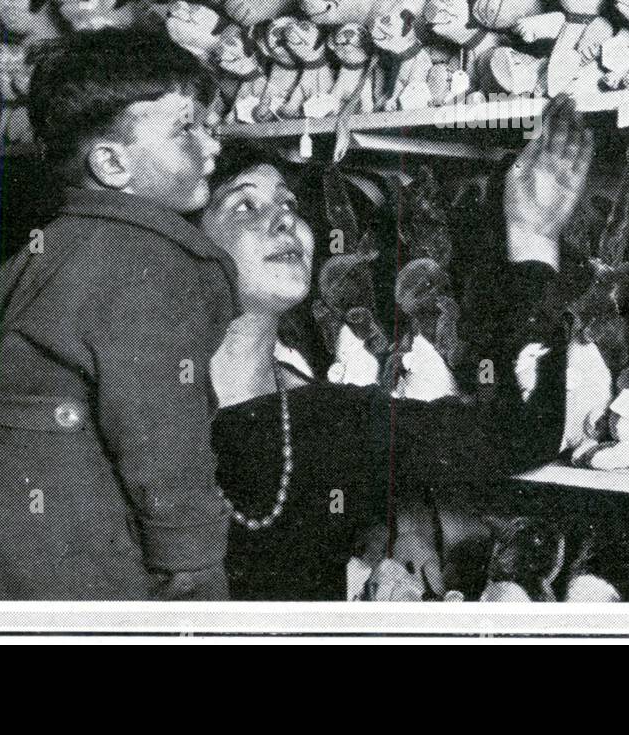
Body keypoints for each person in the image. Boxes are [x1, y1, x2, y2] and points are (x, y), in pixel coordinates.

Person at [0, 28, 237, 600]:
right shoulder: (150, 257)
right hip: (63, 532)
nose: (211, 143)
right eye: (185, 129)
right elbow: (160, 427)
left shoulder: (47, 247)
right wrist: (193, 562)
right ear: (112, 164)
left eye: (208, 124)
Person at [203, 95, 594, 600]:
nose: (282, 219)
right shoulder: (141, 396)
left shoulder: (319, 414)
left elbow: (519, 434)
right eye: (244, 204)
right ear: (186, 240)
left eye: (288, 204)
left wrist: (533, 237)